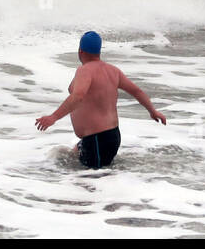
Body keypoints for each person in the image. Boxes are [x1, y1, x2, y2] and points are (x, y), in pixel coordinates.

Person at [34, 31, 166, 168]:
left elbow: (78, 96)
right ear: (98, 51)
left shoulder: (85, 70)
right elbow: (137, 91)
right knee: (72, 155)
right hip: (110, 135)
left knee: (91, 182)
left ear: (80, 51)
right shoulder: (113, 71)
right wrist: (153, 111)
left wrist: (53, 117)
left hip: (97, 139)